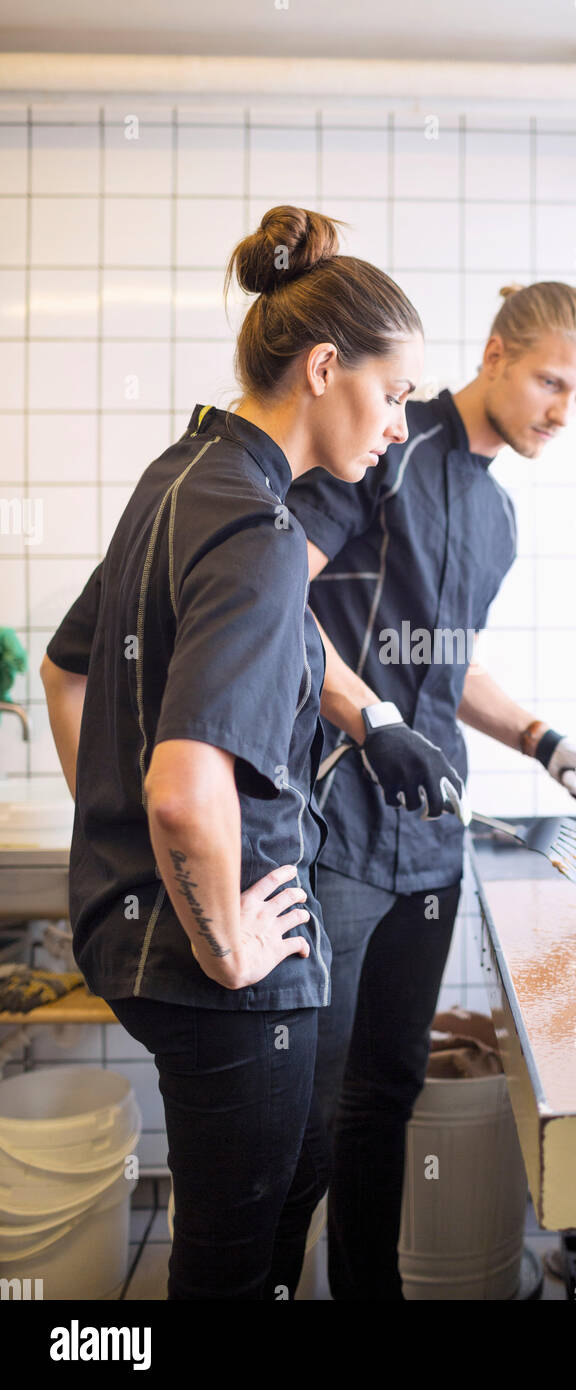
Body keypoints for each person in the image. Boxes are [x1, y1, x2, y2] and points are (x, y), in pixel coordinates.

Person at [39, 205, 431, 1300]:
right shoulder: (260, 530)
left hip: (133, 930)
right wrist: (222, 942)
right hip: (223, 974)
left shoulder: (179, 478)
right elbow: (181, 797)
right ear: (322, 367)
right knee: (231, 1258)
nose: (399, 427)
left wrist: (370, 717)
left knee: (286, 1182)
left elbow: (66, 671)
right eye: (394, 395)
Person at [284, 279, 576, 1299]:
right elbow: (268, 603)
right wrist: (369, 719)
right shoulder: (387, 445)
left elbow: (445, 662)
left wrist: (541, 738)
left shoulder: (500, 517)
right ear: (492, 354)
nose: (561, 412)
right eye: (548, 381)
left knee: (384, 1092)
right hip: (334, 828)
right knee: (313, 1105)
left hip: (432, 840)